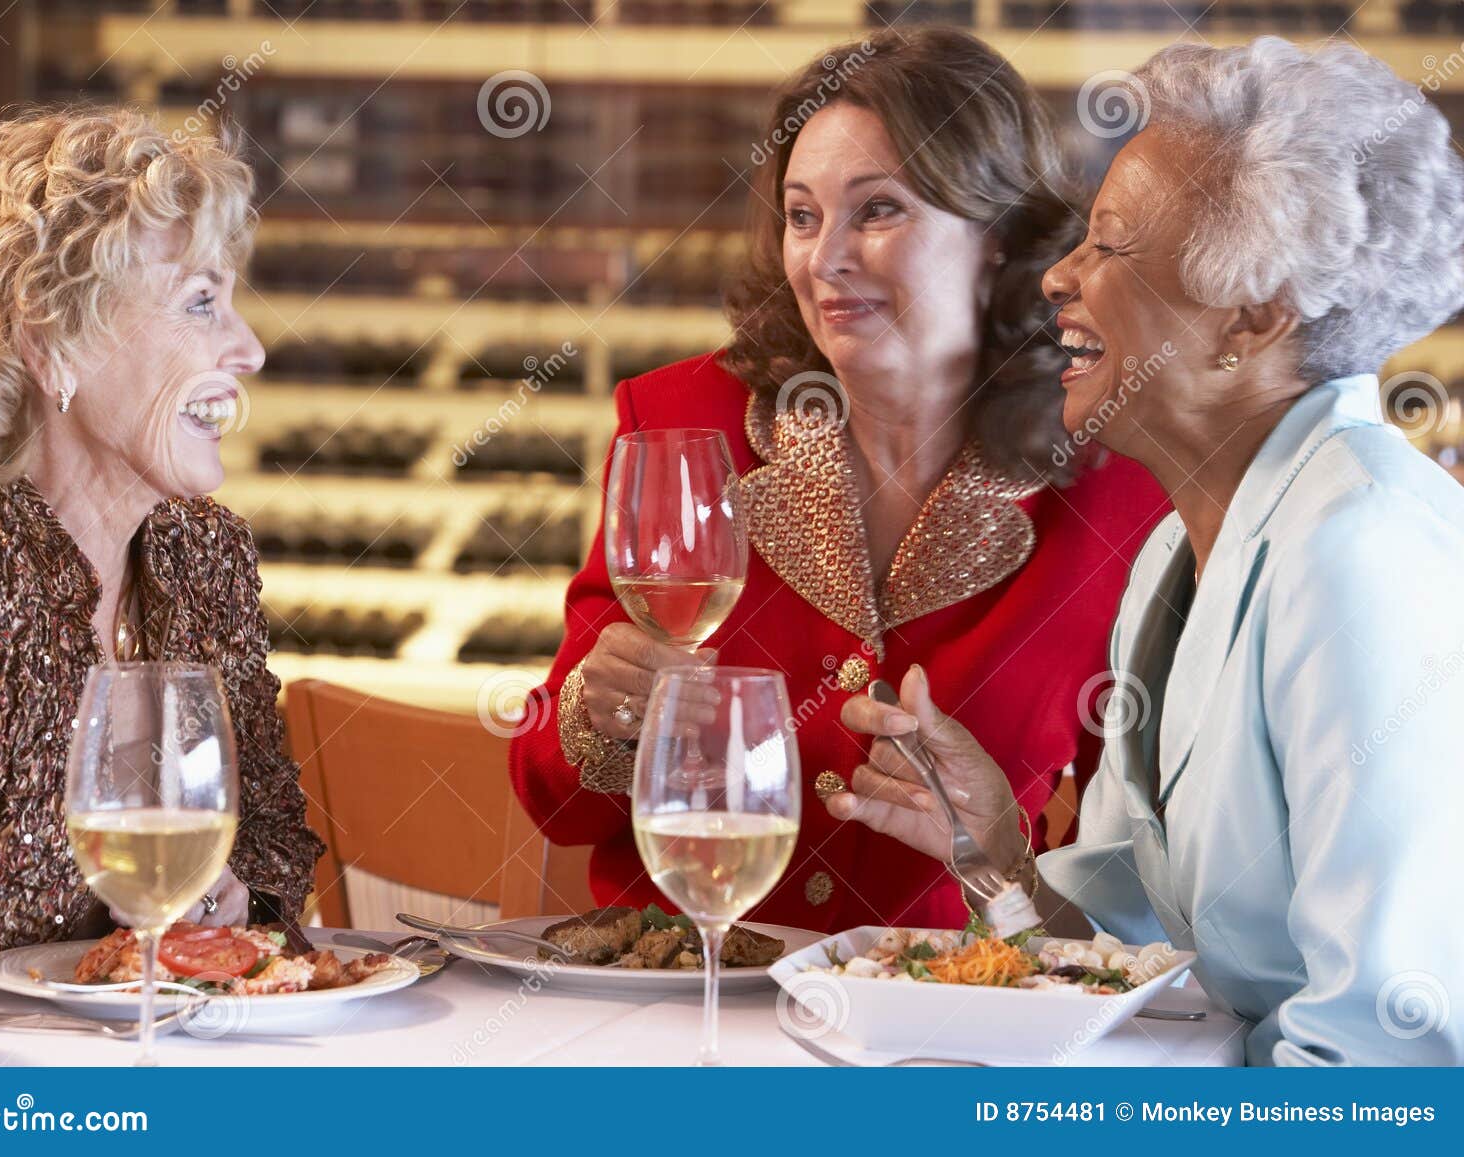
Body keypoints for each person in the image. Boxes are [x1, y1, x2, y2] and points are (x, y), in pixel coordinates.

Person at [834, 38, 1464, 1065]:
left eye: (1109, 247)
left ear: (1253, 315)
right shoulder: (1177, 546)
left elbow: (1392, 1062)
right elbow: (1135, 963)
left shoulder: (1367, 558)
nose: (1058, 278)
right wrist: (998, 855)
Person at [509, 28, 1167, 930]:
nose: (825, 260)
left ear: (1000, 239)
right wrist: (598, 709)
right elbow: (555, 801)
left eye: (878, 211)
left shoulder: (1118, 490)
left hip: (934, 1027)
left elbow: (1142, 904)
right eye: (803, 214)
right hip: (678, 1009)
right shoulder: (683, 423)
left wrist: (1003, 861)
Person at [0, 106, 325, 1056]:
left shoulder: (203, 557)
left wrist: (236, 899)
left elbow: (275, 864)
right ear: (54, 342)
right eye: (200, 302)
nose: (249, 347)